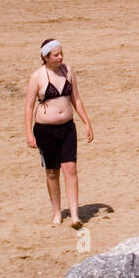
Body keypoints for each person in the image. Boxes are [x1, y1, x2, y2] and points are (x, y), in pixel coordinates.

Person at [24, 39, 94, 227]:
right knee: (52, 172)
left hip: (67, 128)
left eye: (61, 53)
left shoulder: (68, 71)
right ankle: (57, 212)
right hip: (45, 131)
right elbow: (29, 107)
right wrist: (29, 134)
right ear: (45, 57)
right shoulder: (37, 77)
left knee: (70, 168)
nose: (60, 57)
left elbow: (76, 100)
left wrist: (87, 122)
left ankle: (74, 215)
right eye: (56, 55)